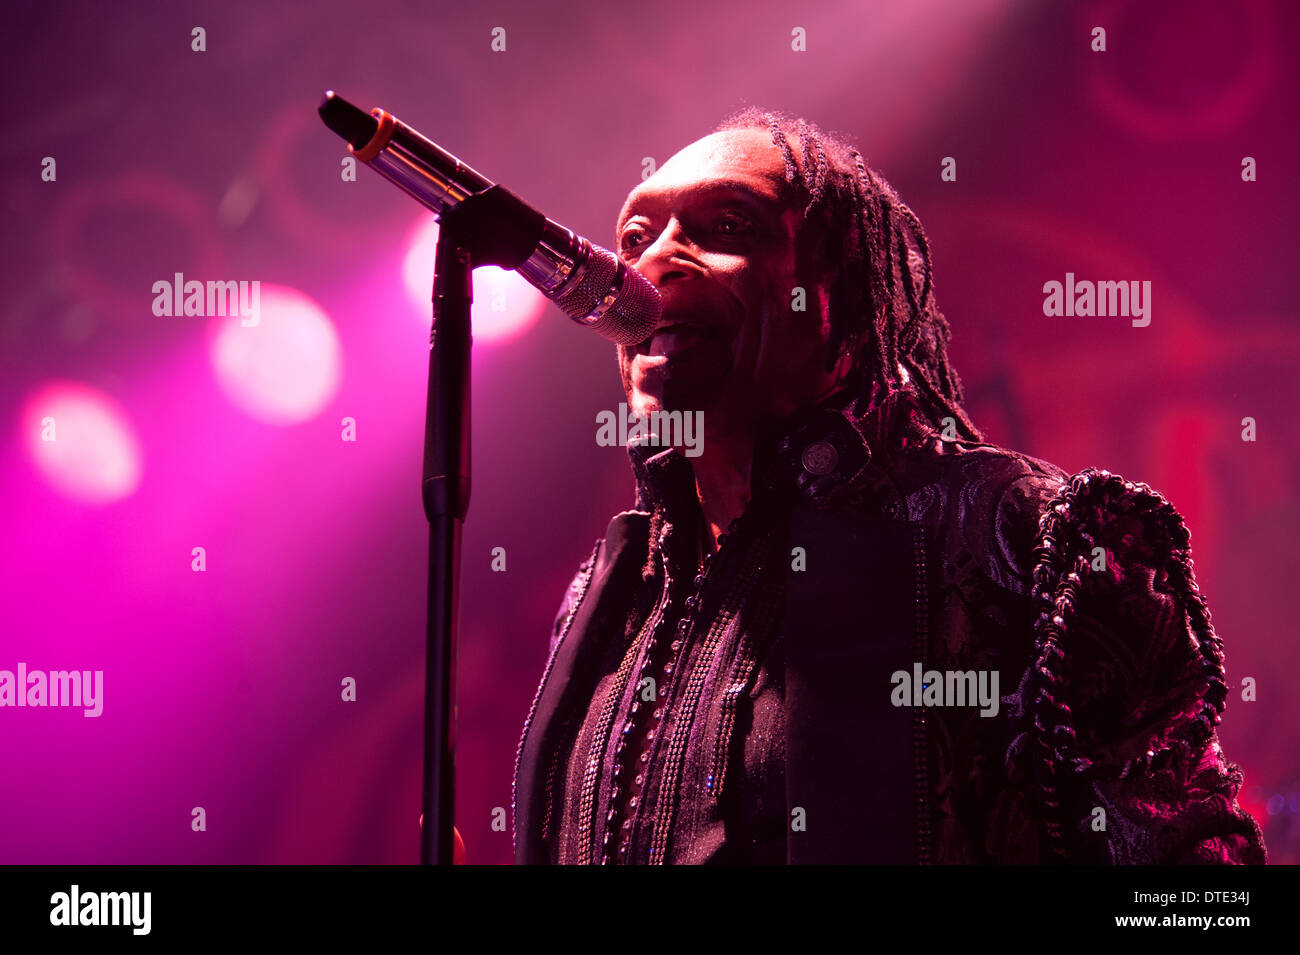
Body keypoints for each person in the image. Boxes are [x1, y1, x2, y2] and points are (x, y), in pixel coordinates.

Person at [512, 107, 1267, 865]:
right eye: (634, 240)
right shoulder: (615, 587)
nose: (651, 266)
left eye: (729, 226)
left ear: (840, 291)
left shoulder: (1025, 536)